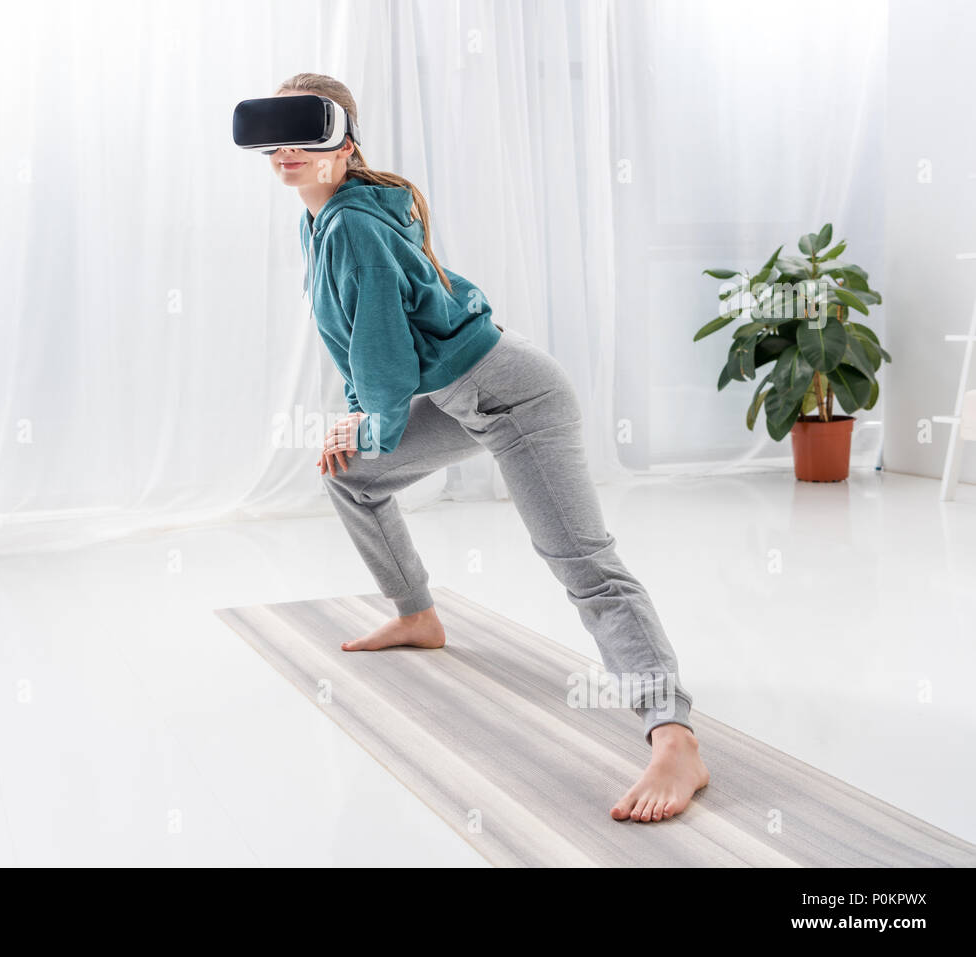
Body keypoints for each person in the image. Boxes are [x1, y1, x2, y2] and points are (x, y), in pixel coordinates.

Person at [273, 73, 708, 824]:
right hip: (458, 399)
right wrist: (360, 421)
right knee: (353, 478)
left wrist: (367, 419)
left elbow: (384, 356)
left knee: (584, 566)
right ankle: (417, 614)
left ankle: (675, 736)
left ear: (344, 145)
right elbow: (355, 344)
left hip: (518, 399)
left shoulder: (352, 224)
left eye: (305, 132)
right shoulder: (320, 220)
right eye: (274, 132)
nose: (286, 150)